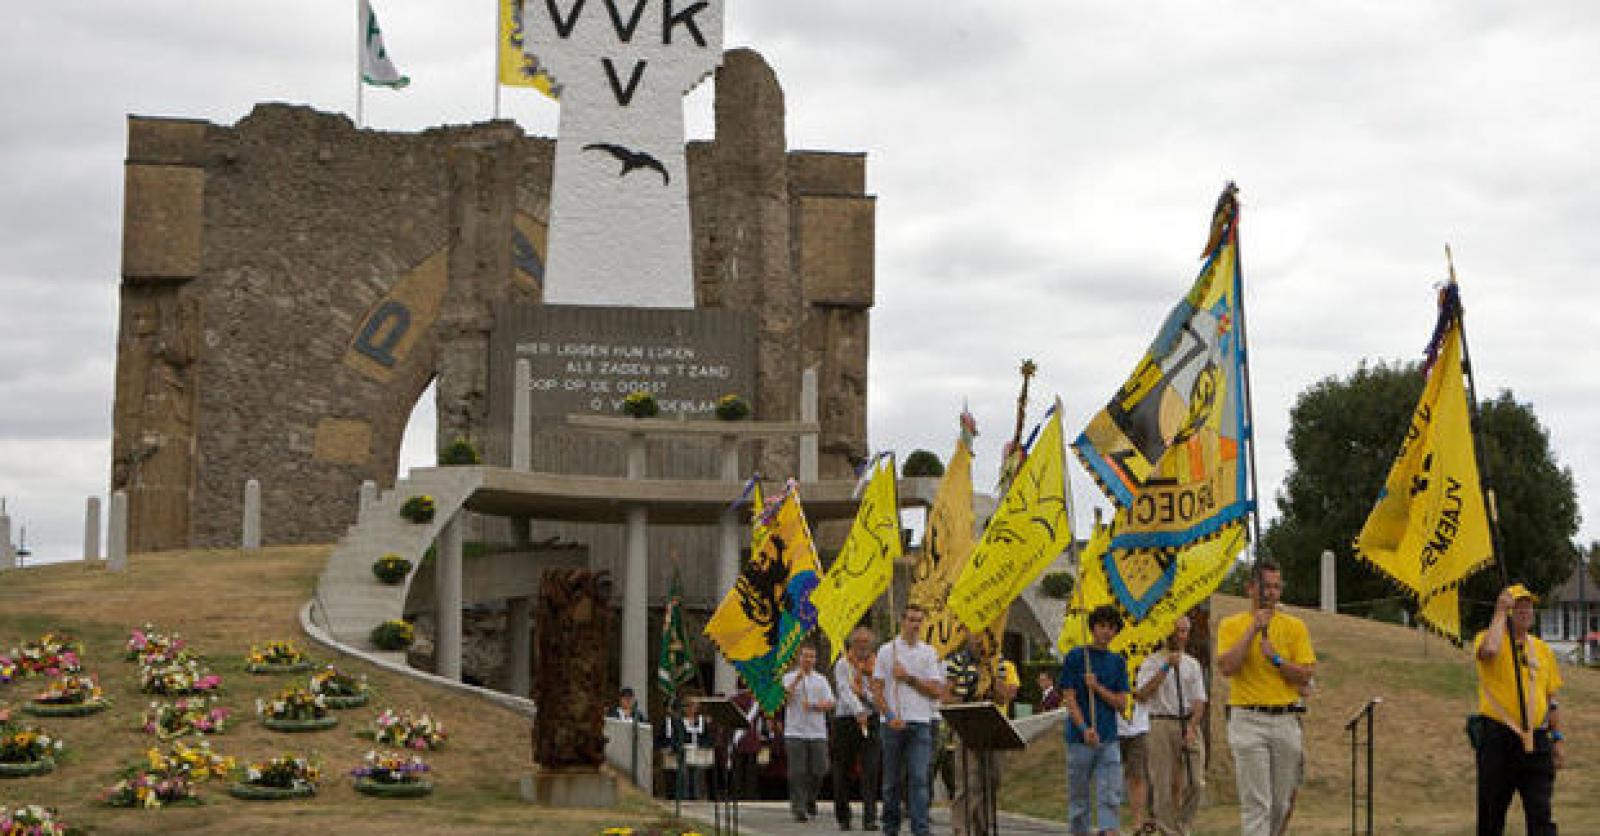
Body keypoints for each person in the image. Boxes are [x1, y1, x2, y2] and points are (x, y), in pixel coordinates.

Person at [1217, 561, 1316, 836]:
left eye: (1276, 587)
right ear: (1250, 588)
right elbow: (1227, 667)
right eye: (1265, 587)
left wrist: (1276, 659)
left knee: (1281, 804)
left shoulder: (1295, 627)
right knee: (1256, 804)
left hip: (1285, 719)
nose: (1271, 593)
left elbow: (1305, 675)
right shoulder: (1231, 625)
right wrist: (1252, 629)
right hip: (1248, 719)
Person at [1473, 583, 1564, 835]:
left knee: (1541, 813)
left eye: (1529, 606)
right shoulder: (1487, 638)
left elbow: (1552, 698)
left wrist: (1557, 738)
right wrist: (1499, 612)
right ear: (1508, 611)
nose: (1526, 611)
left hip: (1536, 740)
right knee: (1491, 815)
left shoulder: (1542, 649)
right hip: (1499, 738)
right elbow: (1489, 651)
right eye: (1519, 606)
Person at [872, 603, 945, 836]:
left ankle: (920, 828)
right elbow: (877, 689)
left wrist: (909, 678)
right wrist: (889, 716)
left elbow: (936, 690)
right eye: (911, 620)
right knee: (891, 781)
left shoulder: (928, 652)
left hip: (920, 722)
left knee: (919, 778)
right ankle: (890, 827)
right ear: (902, 621)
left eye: (919, 621)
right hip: (893, 724)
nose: (915, 625)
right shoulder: (887, 651)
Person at [1059, 604, 1130, 836]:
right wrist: (1084, 728)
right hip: (1079, 741)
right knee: (1079, 802)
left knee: (1110, 797)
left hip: (1108, 740)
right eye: (1102, 626)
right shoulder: (1076, 657)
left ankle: (1109, 832)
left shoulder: (1118, 662)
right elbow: (1069, 698)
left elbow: (1122, 703)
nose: (1106, 632)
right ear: (1092, 628)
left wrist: (1097, 687)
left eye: (1111, 628)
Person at [941, 631, 1020, 836]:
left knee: (992, 778)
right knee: (968, 781)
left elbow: (1003, 698)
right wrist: (964, 700)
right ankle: (962, 828)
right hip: (967, 725)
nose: (979, 641)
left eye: (983, 637)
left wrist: (993, 678)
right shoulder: (958, 661)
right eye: (976, 637)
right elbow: (945, 696)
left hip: (991, 725)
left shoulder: (996, 661)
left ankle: (983, 826)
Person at [1135, 616, 1207, 836]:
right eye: (1176, 631)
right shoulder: (1151, 662)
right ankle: (1167, 830)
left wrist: (1192, 727)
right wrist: (1166, 667)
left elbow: (1199, 701)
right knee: (1162, 782)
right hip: (1160, 722)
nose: (1180, 636)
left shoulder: (1192, 665)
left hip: (1186, 721)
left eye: (1184, 631)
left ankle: (1183, 825)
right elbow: (1142, 695)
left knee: (1197, 781)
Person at [832, 625, 881, 831]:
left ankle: (870, 817)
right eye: (859, 642)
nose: (862, 646)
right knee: (843, 769)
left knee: (871, 768)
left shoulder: (877, 665)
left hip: (871, 719)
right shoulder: (843, 664)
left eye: (866, 642)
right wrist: (858, 709)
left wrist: (865, 696)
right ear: (852, 644)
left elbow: (879, 695)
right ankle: (843, 815)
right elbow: (844, 690)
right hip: (847, 719)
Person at [783, 644, 836, 822]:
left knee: (820, 769)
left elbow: (831, 702)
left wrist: (815, 706)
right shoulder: (788, 678)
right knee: (797, 771)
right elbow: (784, 700)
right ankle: (799, 807)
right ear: (799, 658)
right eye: (805, 656)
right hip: (795, 731)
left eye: (812, 657)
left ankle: (810, 798)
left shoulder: (821, 680)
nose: (808, 660)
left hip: (817, 731)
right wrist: (796, 681)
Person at [728, 679, 772, 801]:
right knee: (751, 770)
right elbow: (763, 719)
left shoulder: (733, 700)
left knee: (737, 768)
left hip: (738, 738)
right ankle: (750, 794)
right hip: (752, 738)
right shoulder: (756, 701)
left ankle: (737, 793)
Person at [1117, 694, 1153, 833]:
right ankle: (1110, 822)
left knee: (1137, 776)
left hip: (1139, 729)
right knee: (1110, 777)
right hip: (1113, 728)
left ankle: (1137, 822)